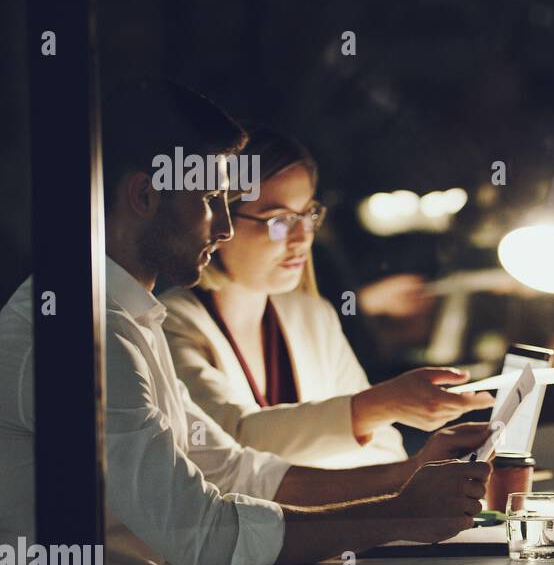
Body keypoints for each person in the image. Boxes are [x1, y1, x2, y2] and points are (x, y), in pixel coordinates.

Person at [0, 81, 488, 565]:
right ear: (143, 195)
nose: (225, 227)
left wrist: (408, 477)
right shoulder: (84, 335)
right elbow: (202, 534)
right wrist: (399, 515)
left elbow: (237, 471)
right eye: (210, 201)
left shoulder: (128, 318)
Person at [160, 127, 492, 470]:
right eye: (279, 220)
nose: (302, 237)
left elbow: (383, 452)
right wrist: (379, 405)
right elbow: (229, 446)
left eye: (308, 214)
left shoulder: (311, 316)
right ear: (217, 220)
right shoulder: (170, 324)